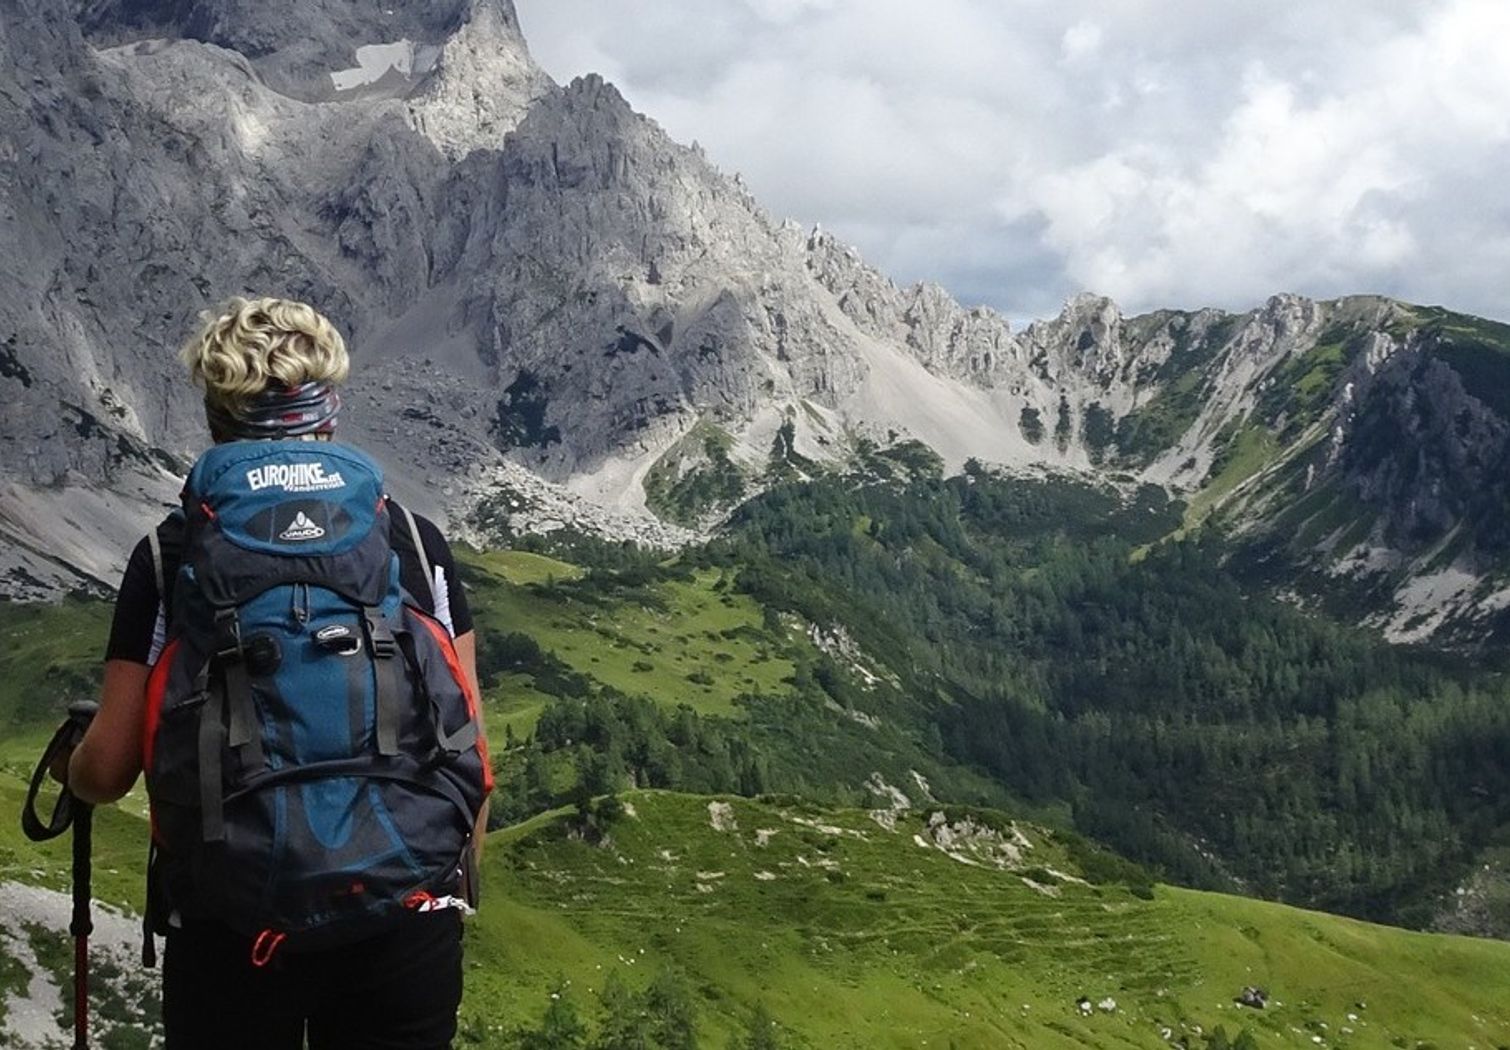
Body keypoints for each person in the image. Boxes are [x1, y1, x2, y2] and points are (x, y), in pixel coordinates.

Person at [65, 297, 489, 1050]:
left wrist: (70, 762)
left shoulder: (170, 554)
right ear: (329, 414)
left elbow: (105, 772)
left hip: (230, 928)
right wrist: (451, 888)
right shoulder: (414, 543)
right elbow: (469, 746)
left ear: (215, 419)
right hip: (404, 918)